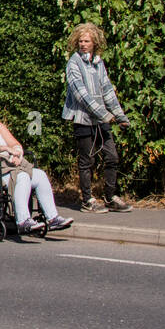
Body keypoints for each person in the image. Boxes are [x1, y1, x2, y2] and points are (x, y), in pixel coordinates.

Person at [0, 98, 74, 231]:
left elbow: (14, 144)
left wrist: (17, 154)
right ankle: (23, 220)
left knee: (39, 175)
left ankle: (53, 218)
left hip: (5, 166)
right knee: (21, 176)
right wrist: (4, 149)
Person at [63, 22, 131, 213]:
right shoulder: (73, 63)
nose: (83, 44)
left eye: (87, 41)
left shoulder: (98, 62)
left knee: (112, 157)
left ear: (95, 43)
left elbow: (107, 90)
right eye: (81, 41)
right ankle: (87, 200)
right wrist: (104, 115)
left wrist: (119, 115)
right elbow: (80, 93)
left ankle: (110, 197)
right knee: (87, 161)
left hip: (101, 120)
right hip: (83, 119)